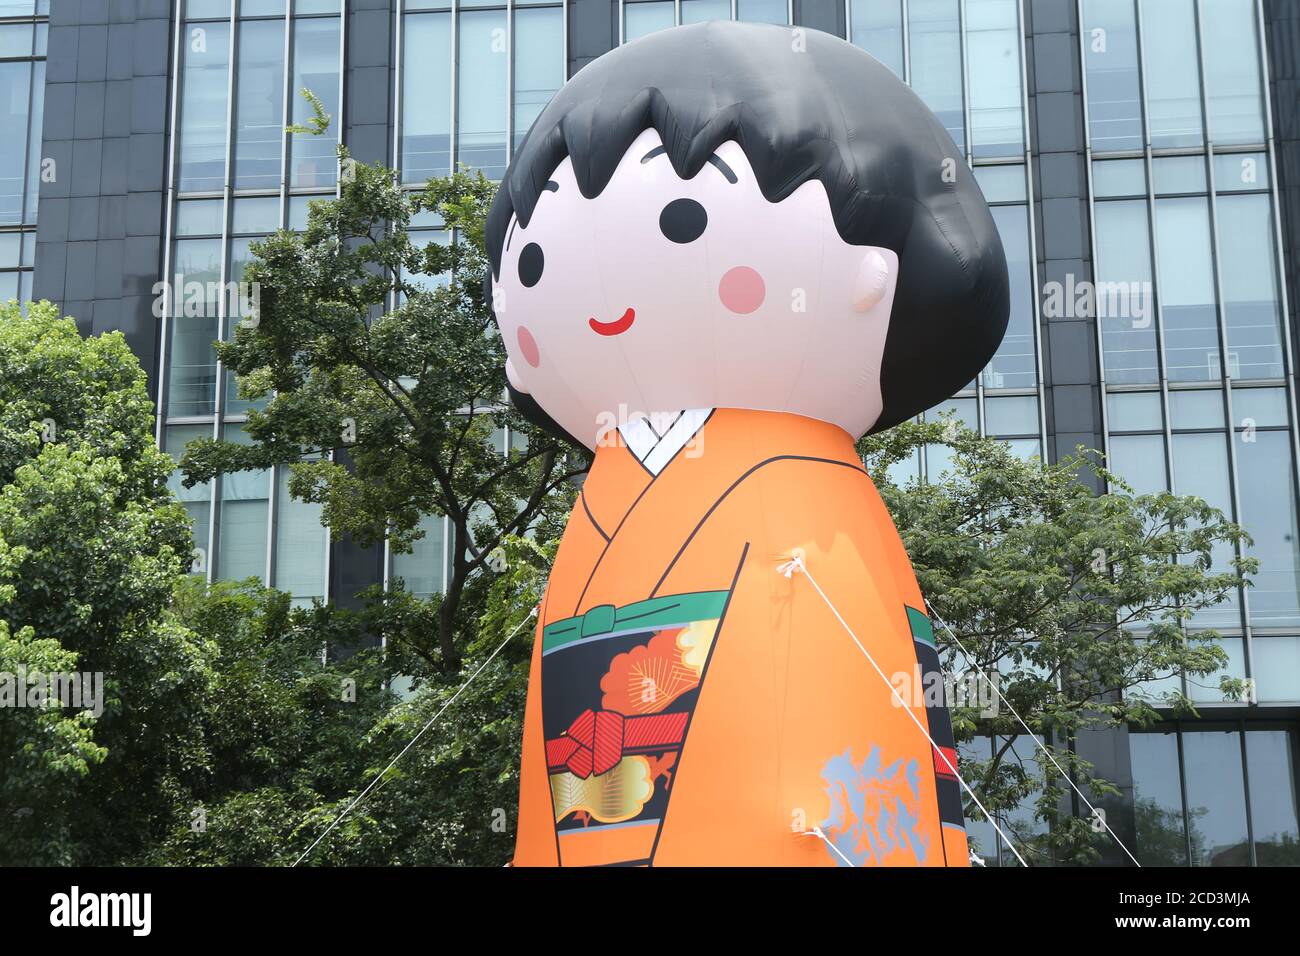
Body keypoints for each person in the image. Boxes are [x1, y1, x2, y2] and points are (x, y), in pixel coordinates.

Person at [486, 20, 1008, 866]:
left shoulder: (813, 484)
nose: (605, 303)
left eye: (685, 219)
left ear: (880, 268)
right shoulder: (610, 486)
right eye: (531, 263)